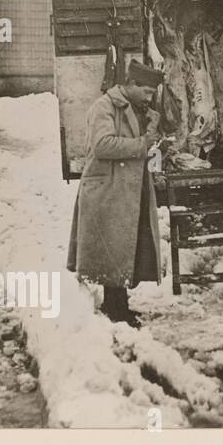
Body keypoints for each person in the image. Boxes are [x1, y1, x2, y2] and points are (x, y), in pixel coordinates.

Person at [66, 60, 165, 327]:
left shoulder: (134, 107)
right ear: (131, 84)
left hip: (123, 188)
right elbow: (102, 145)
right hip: (107, 190)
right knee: (113, 249)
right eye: (146, 91)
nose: (149, 97)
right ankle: (115, 308)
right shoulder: (104, 107)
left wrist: (151, 128)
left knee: (122, 249)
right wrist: (142, 144)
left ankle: (119, 305)